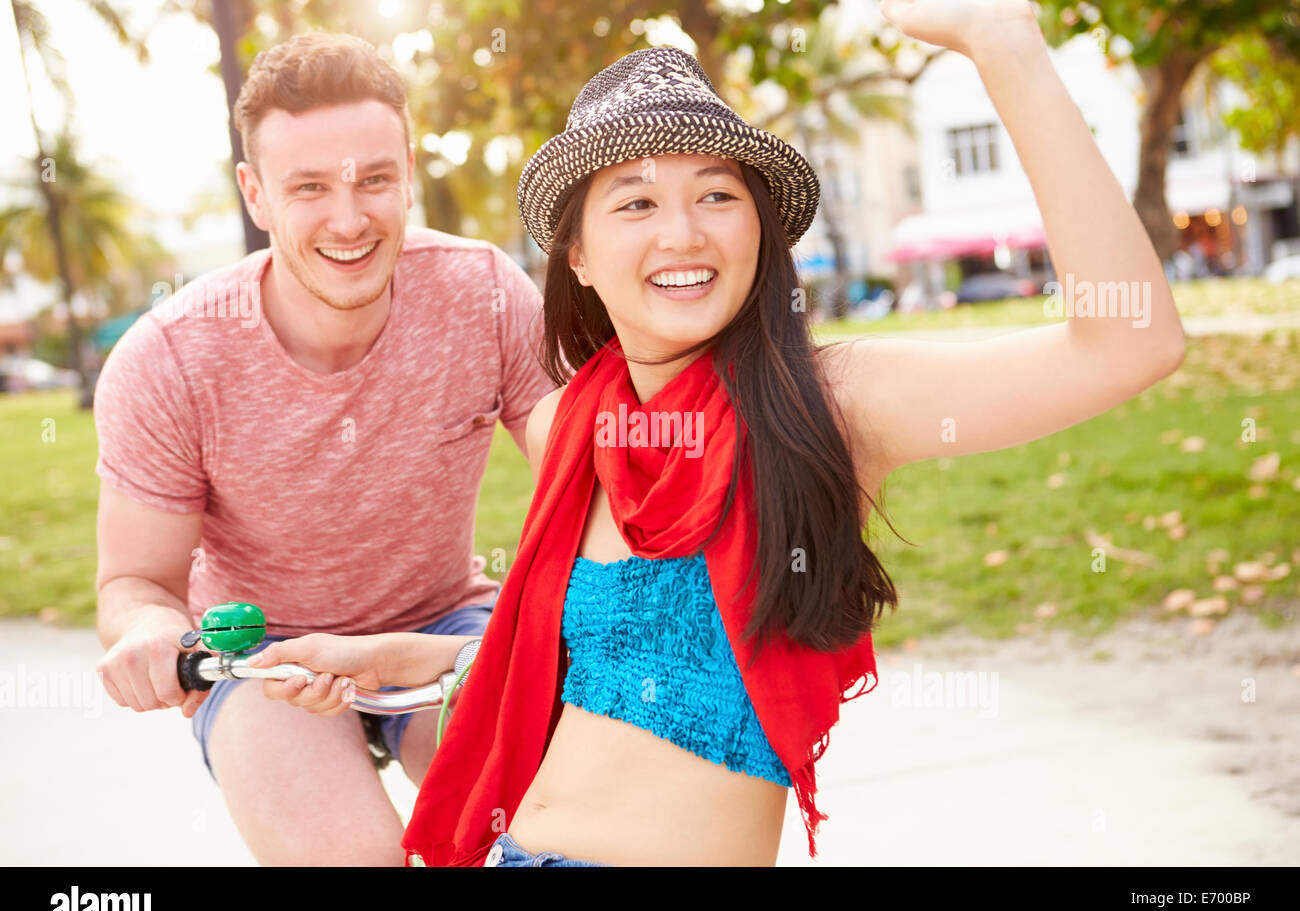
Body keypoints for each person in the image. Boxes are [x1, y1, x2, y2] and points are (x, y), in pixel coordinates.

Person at [254, 0, 1187, 866]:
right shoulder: (587, 425)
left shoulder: (823, 399)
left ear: (759, 228)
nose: (684, 233)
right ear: (577, 255)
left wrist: (1005, 45)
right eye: (635, 203)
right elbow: (591, 664)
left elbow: (1128, 344)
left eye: (716, 195)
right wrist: (401, 657)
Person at [91, 32, 554, 866]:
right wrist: (153, 633)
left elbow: (584, 483)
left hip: (442, 625)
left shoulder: (485, 293)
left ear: (409, 171)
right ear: (255, 194)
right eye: (309, 187)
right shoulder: (167, 359)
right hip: (261, 661)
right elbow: (137, 582)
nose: (350, 219)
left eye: (374, 178)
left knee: (546, 826)